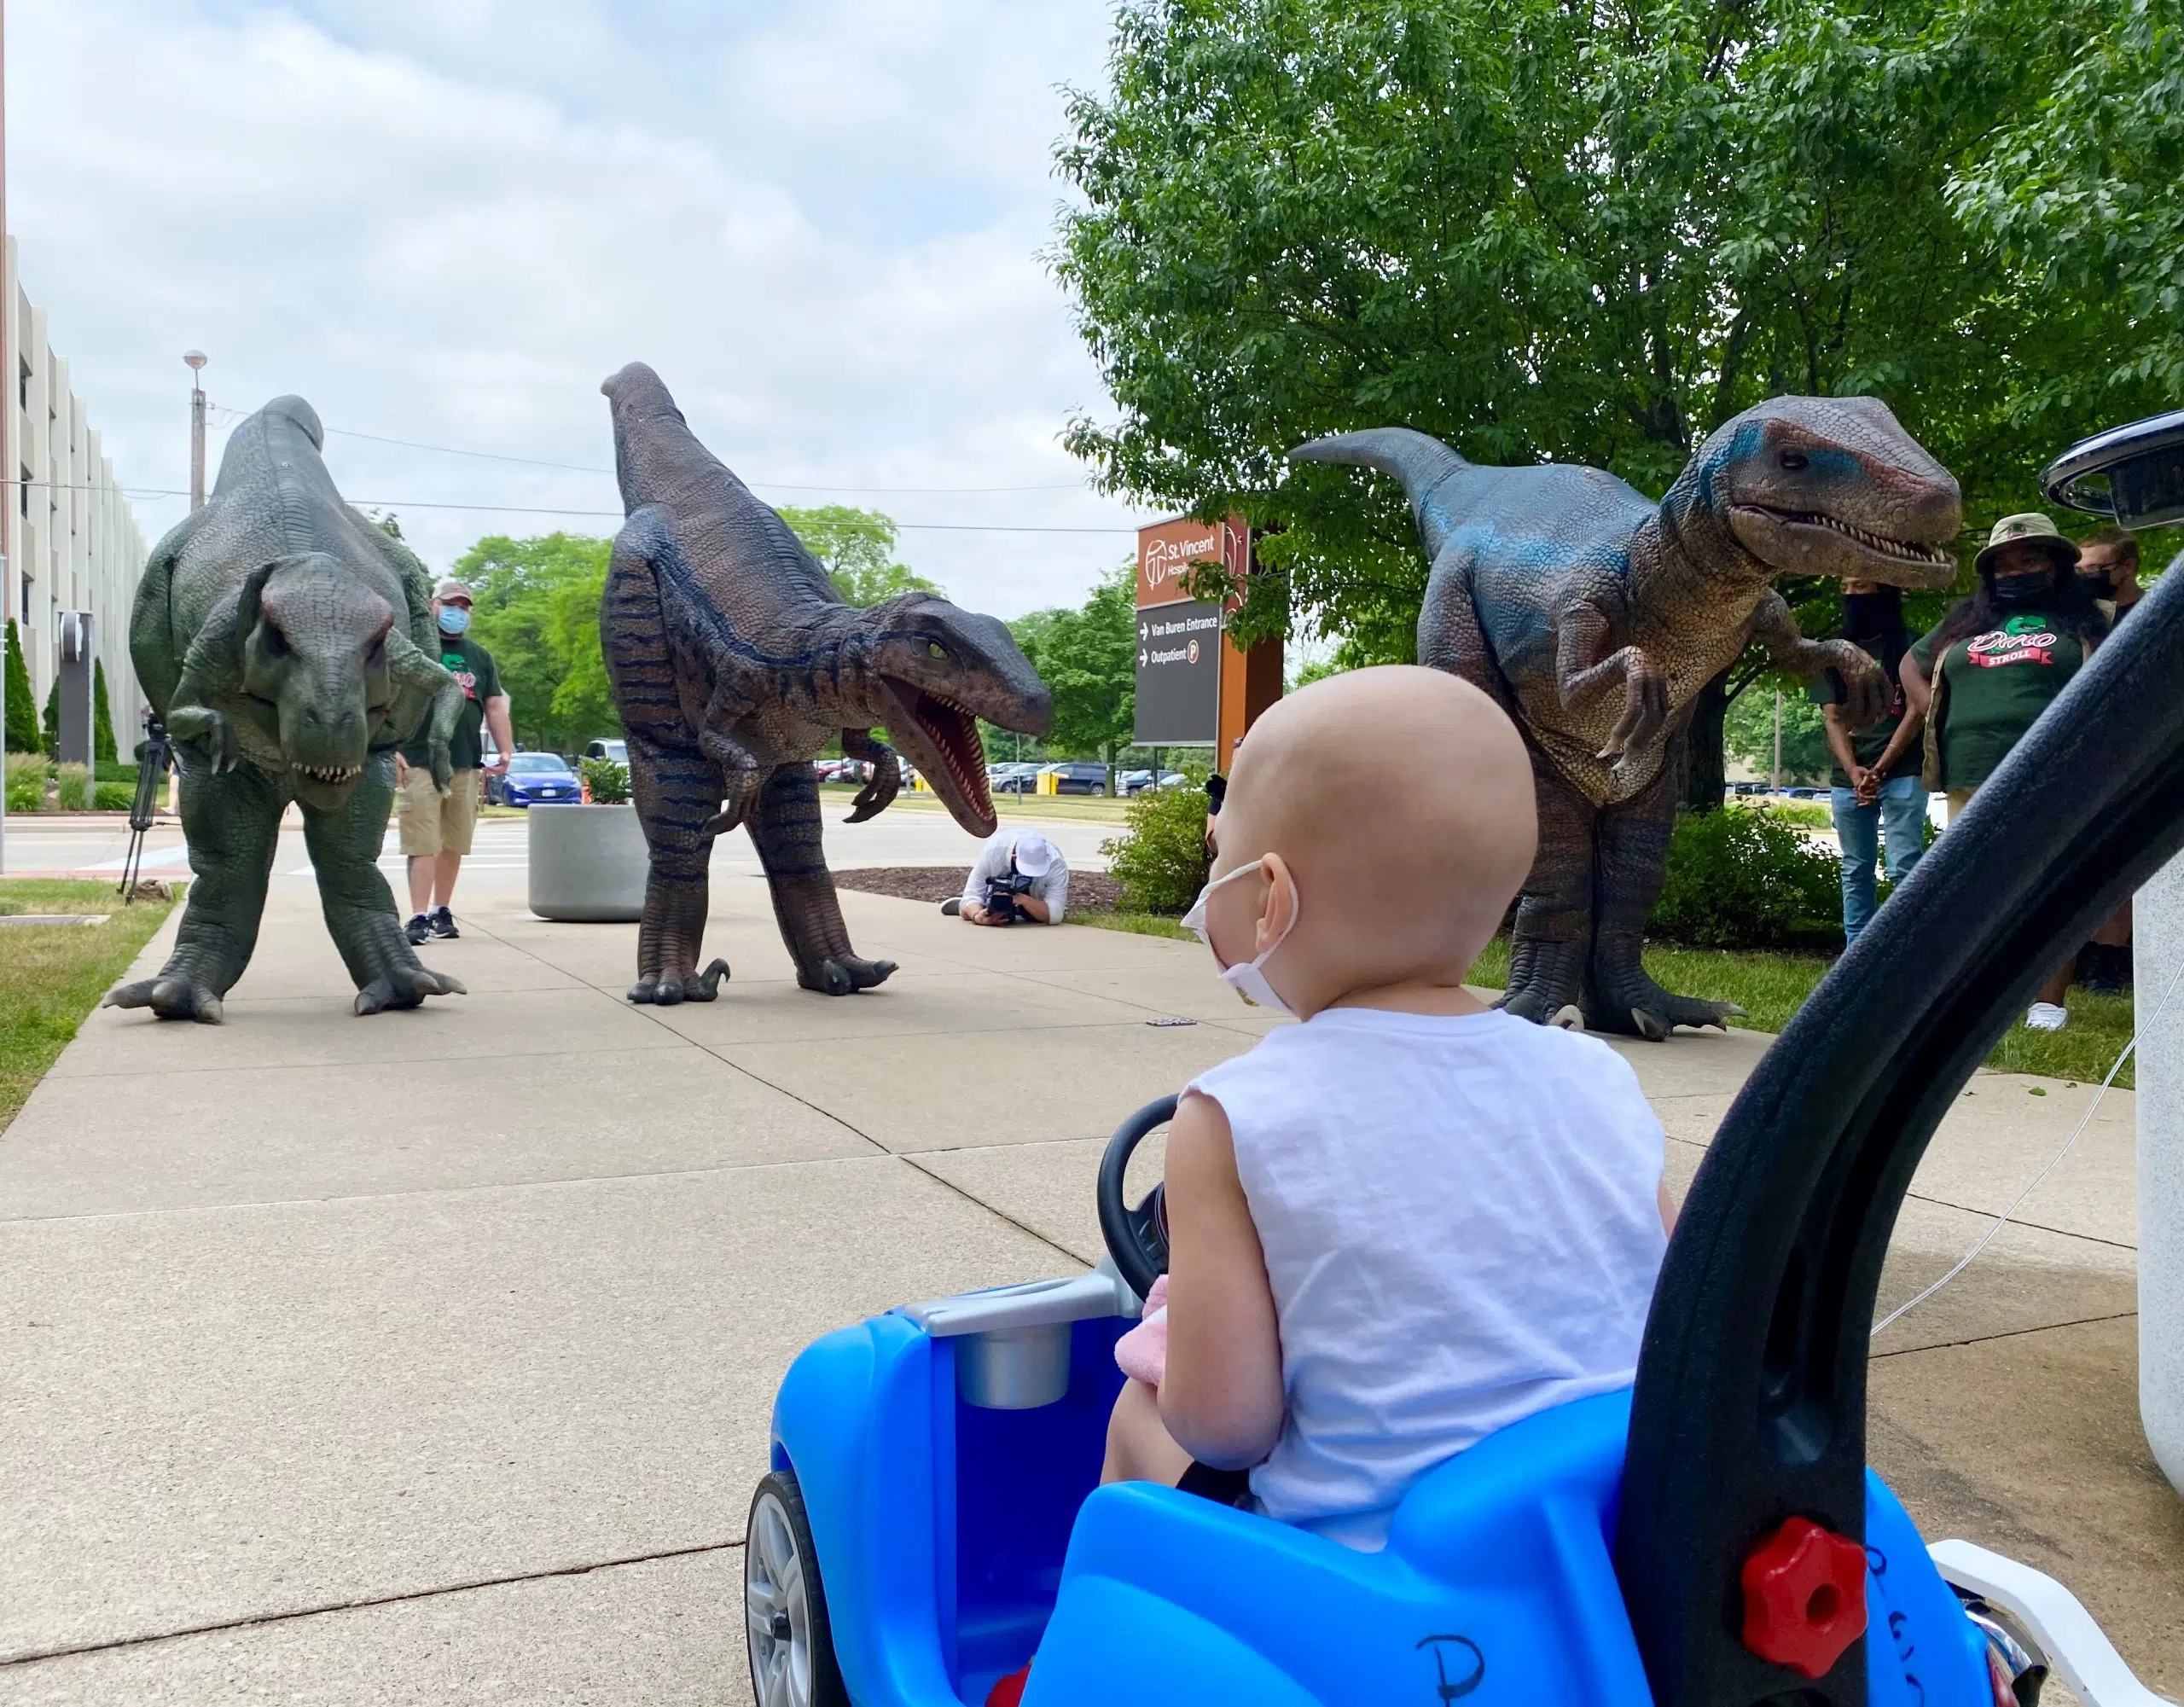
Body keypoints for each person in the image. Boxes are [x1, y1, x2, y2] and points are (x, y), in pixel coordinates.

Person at [1902, 514, 2107, 1031]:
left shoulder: (2087, 620)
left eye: (2030, 559)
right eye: (2004, 564)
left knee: (2050, 885)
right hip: (1969, 770)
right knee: (1974, 889)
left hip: (2053, 773)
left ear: (2056, 566)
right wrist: (1935, 713)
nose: (2015, 570)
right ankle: (1978, 995)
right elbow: (1911, 664)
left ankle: (2047, 1002)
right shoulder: (1966, 620)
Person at [396, 578, 512, 945]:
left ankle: (440, 910)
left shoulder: (479, 657)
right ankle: (417, 916)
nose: (456, 612)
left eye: (463, 607)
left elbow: (493, 705)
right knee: (423, 841)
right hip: (419, 759)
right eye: (449, 605)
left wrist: (505, 749)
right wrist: (391, 747)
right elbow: (388, 698)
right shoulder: (414, 650)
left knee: (454, 842)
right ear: (433, 607)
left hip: (465, 762)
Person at [1813, 580, 1928, 946]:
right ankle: (1856, 950)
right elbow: (1833, 718)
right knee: (1855, 869)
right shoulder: (1831, 652)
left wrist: (1880, 767)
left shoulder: (1914, 645)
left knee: (1904, 866)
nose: (1851, 595)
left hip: (1903, 771)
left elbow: (1917, 710)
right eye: (1845, 587)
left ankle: (1904, 947)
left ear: (1885, 591)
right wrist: (1853, 771)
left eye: (1861, 586)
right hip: (1849, 778)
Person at [2073, 527, 2143, 993]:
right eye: (2078, 570)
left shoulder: (2152, 615)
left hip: (2136, 749)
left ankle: (2110, 959)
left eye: (2095, 570)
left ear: (2127, 568)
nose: (2085, 578)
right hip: (2083, 754)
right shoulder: (2077, 619)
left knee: (2124, 857)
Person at [942, 829, 1068, 926]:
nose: (1031, 874)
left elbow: (1055, 914)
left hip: (1035, 896)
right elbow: (971, 895)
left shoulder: (1056, 862)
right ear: (1014, 857)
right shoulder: (993, 852)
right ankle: (984, 905)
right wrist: (977, 916)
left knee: (1035, 917)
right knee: (967, 911)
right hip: (997, 881)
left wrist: (1022, 900)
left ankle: (1008, 907)